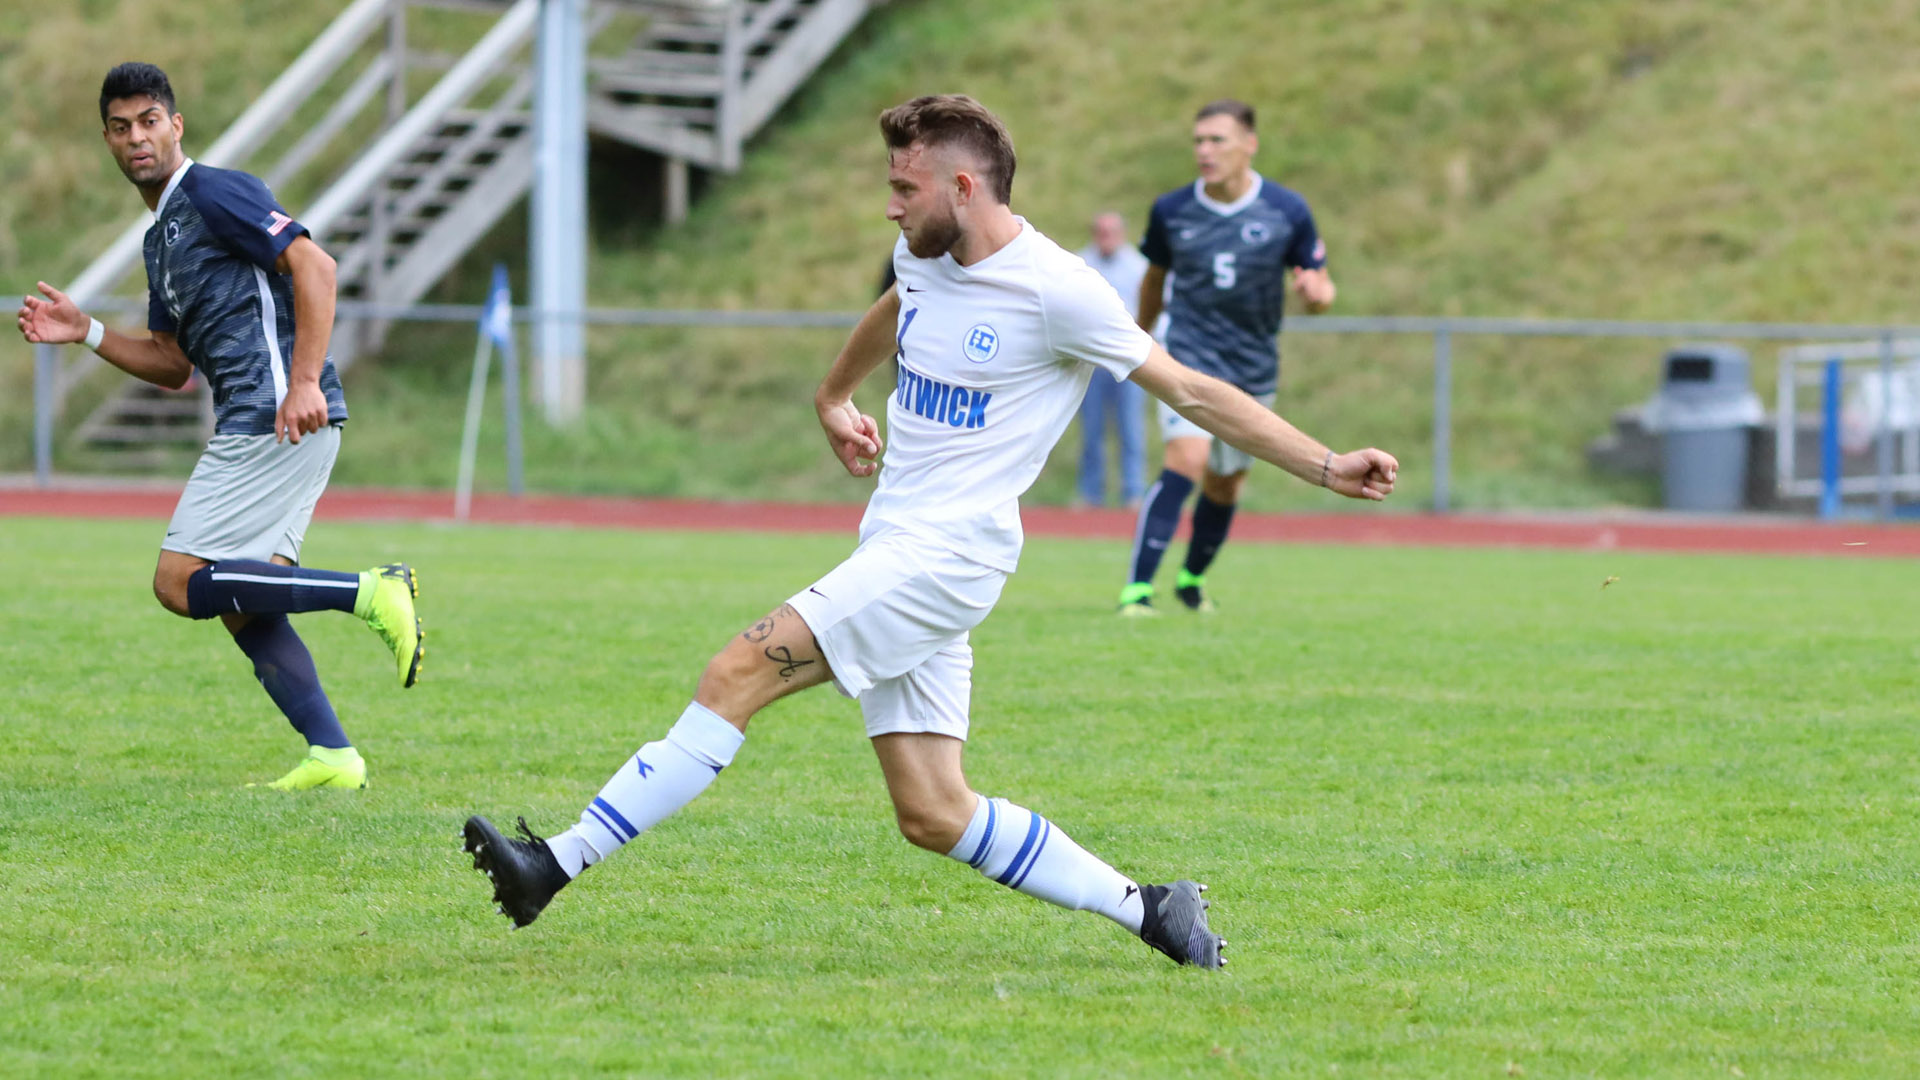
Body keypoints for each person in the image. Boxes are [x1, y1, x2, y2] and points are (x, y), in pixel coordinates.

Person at [460, 95, 1395, 968]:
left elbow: (1192, 390)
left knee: (733, 673)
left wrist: (1325, 464)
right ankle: (1153, 909)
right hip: (897, 547)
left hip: (946, 556)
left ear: (963, 186)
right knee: (934, 812)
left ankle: (556, 865)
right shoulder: (925, 256)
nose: (891, 208)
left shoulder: (1057, 290)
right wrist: (833, 394)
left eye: (904, 188)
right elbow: (899, 303)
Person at [15, 63, 424, 791]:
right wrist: (87, 331)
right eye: (120, 125)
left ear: (176, 126)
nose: (136, 136)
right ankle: (333, 756)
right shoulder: (161, 239)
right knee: (241, 599)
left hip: (275, 409)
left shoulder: (212, 191)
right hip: (267, 411)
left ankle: (371, 591)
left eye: (149, 120)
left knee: (180, 583)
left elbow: (316, 267)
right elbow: (172, 364)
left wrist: (302, 382)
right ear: (107, 139)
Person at [1118, 99, 1336, 615]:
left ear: (1249, 145)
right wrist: (1137, 340)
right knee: (1187, 459)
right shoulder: (1171, 210)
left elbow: (1322, 287)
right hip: (1186, 352)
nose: (1205, 151)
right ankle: (1138, 591)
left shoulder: (1288, 210)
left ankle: (1191, 581)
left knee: (1226, 480)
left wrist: (1314, 295)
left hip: (1252, 363)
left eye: (1217, 140)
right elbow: (1154, 281)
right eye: (1198, 141)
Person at [1073, 212, 1149, 509]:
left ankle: (1133, 492)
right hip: (1092, 362)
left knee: (1131, 428)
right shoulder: (1080, 264)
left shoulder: (1139, 267)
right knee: (1091, 430)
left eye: (1111, 232)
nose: (1106, 238)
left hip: (1128, 362)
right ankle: (1091, 493)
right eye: (1101, 232)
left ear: (1121, 234)